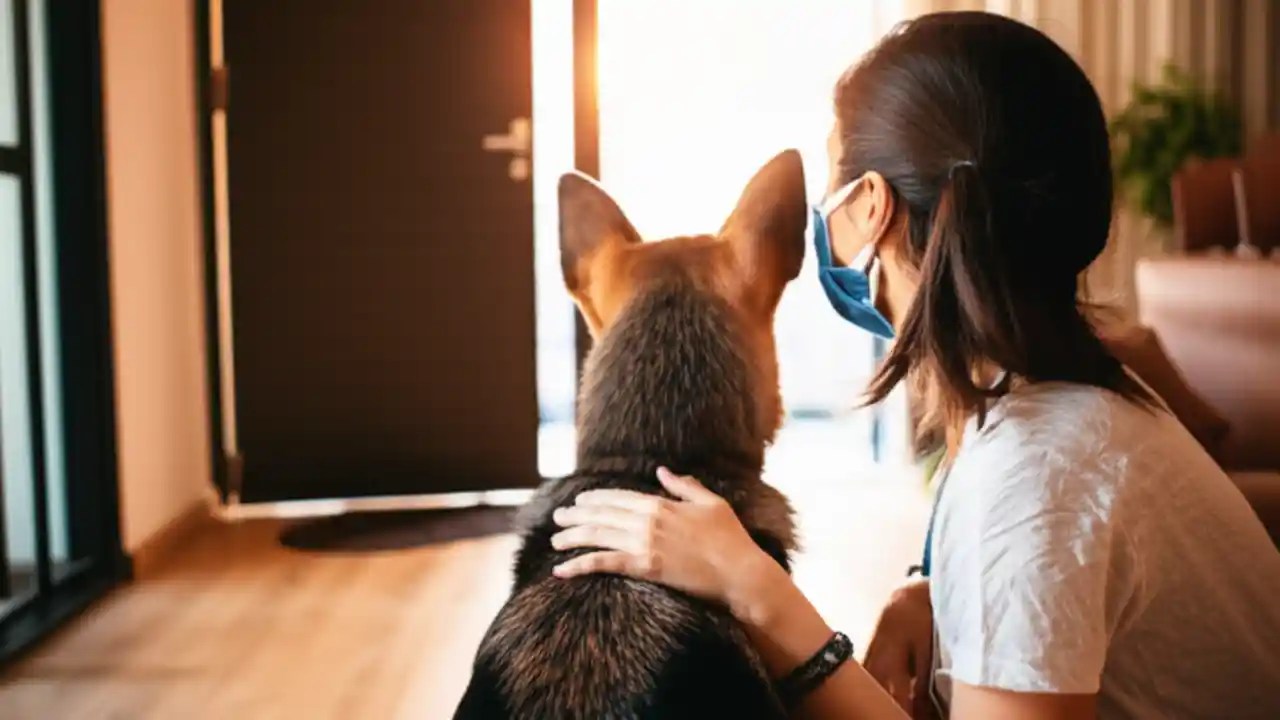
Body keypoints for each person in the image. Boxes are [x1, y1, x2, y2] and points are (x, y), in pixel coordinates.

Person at [547, 10, 1280, 720]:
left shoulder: (1031, 477)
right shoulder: (1058, 401)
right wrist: (934, 589)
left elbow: (1038, 520)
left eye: (833, 181)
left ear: (871, 203)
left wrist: (758, 594)